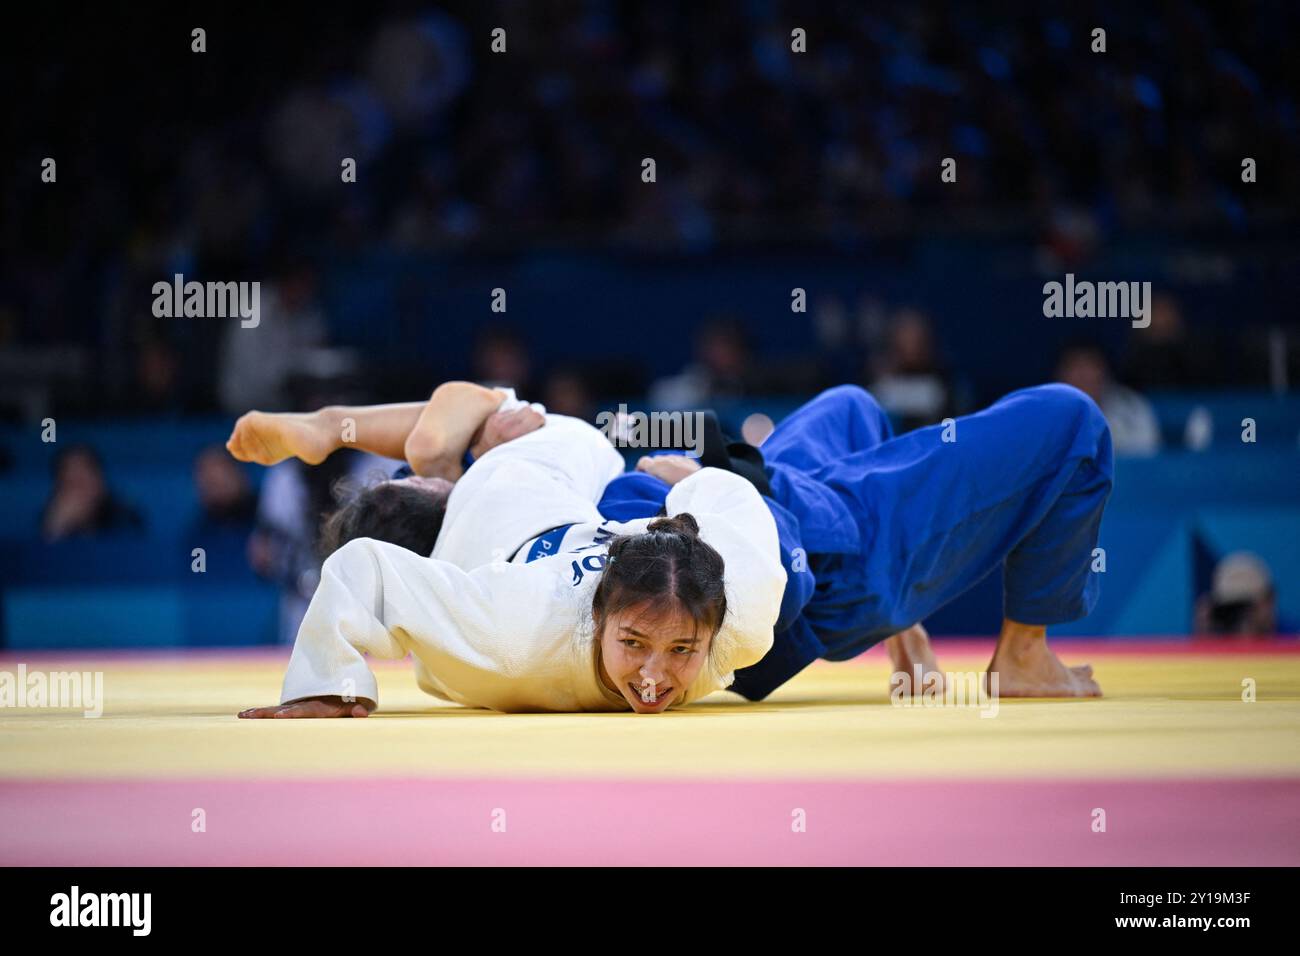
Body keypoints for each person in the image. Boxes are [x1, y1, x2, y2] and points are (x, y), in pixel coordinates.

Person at [230, 378, 1112, 710]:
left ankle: (905, 628)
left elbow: (441, 428)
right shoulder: (496, 503)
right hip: (796, 547)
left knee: (849, 407)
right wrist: (331, 426)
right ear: (433, 494)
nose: (425, 459)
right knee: (1071, 423)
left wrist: (329, 427)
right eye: (418, 477)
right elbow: (441, 420)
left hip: (726, 521)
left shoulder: (500, 523)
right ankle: (1023, 656)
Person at [230, 384, 787, 716]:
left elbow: (365, 568)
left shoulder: (743, 614)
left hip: (533, 489)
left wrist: (332, 679)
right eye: (635, 643)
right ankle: (361, 430)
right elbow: (368, 565)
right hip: (526, 484)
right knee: (479, 428)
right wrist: (328, 688)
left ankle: (352, 427)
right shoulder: (510, 633)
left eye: (682, 650)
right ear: (596, 618)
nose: (651, 676)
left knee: (486, 426)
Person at [41, 444, 144, 541]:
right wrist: (56, 529)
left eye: (82, 482)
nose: (78, 493)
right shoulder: (51, 516)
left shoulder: (124, 516)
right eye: (71, 484)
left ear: (100, 479)